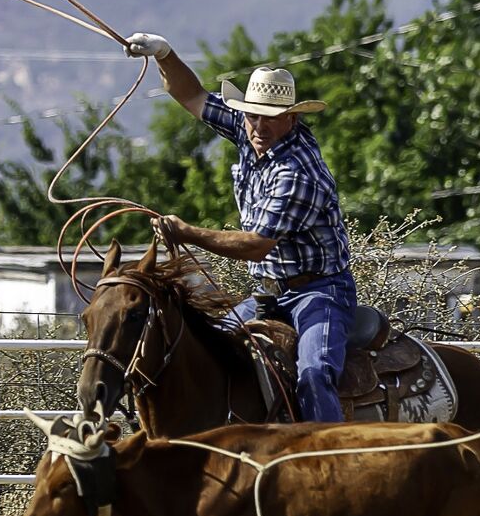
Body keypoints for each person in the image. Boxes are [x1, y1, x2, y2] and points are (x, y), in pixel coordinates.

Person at [124, 32, 356, 422]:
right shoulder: (251, 132)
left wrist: (188, 233)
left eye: (271, 117)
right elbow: (192, 96)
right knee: (208, 348)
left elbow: (255, 245)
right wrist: (165, 53)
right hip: (268, 293)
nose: (258, 126)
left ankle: (327, 461)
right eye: (252, 115)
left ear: (292, 118)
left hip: (320, 292)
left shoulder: (298, 172)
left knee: (315, 374)